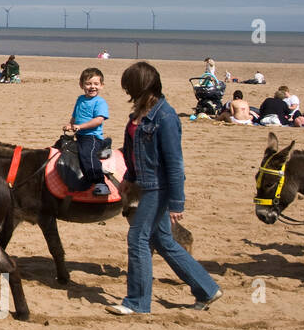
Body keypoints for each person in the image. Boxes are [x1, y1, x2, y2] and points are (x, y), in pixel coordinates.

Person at [108, 61, 221, 315]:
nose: (127, 92)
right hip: (142, 183)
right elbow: (132, 152)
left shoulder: (166, 116)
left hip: (158, 188)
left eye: (130, 86)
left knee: (137, 238)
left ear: (143, 86)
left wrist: (176, 203)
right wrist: (128, 176)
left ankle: (137, 302)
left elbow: (174, 162)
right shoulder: (138, 112)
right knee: (163, 240)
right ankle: (207, 289)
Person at [62, 67, 111, 196]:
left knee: (86, 154)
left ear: (102, 86)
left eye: (96, 84)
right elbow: (75, 116)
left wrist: (81, 127)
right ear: (81, 85)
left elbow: (98, 120)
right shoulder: (80, 99)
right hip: (80, 135)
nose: (92, 87)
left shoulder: (100, 102)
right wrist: (70, 124)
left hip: (92, 137)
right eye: (88, 84)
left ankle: (101, 182)